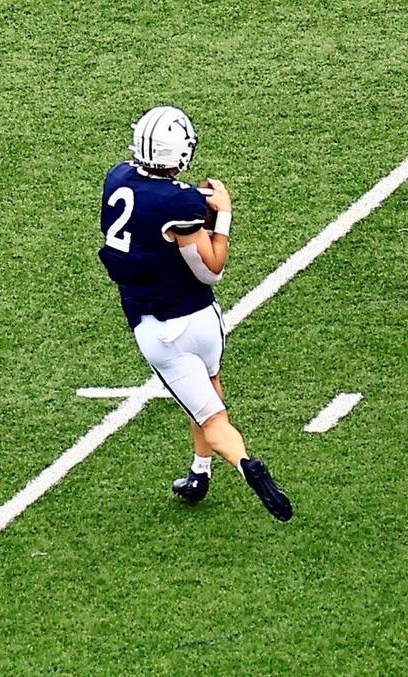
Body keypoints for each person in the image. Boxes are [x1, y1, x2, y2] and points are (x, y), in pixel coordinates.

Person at [98, 105, 292, 522]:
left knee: (210, 415)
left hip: (158, 330)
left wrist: (197, 208)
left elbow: (155, 211)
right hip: (201, 320)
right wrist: (222, 215)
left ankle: (244, 463)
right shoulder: (181, 203)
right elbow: (210, 267)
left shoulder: (116, 178)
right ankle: (199, 473)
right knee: (207, 391)